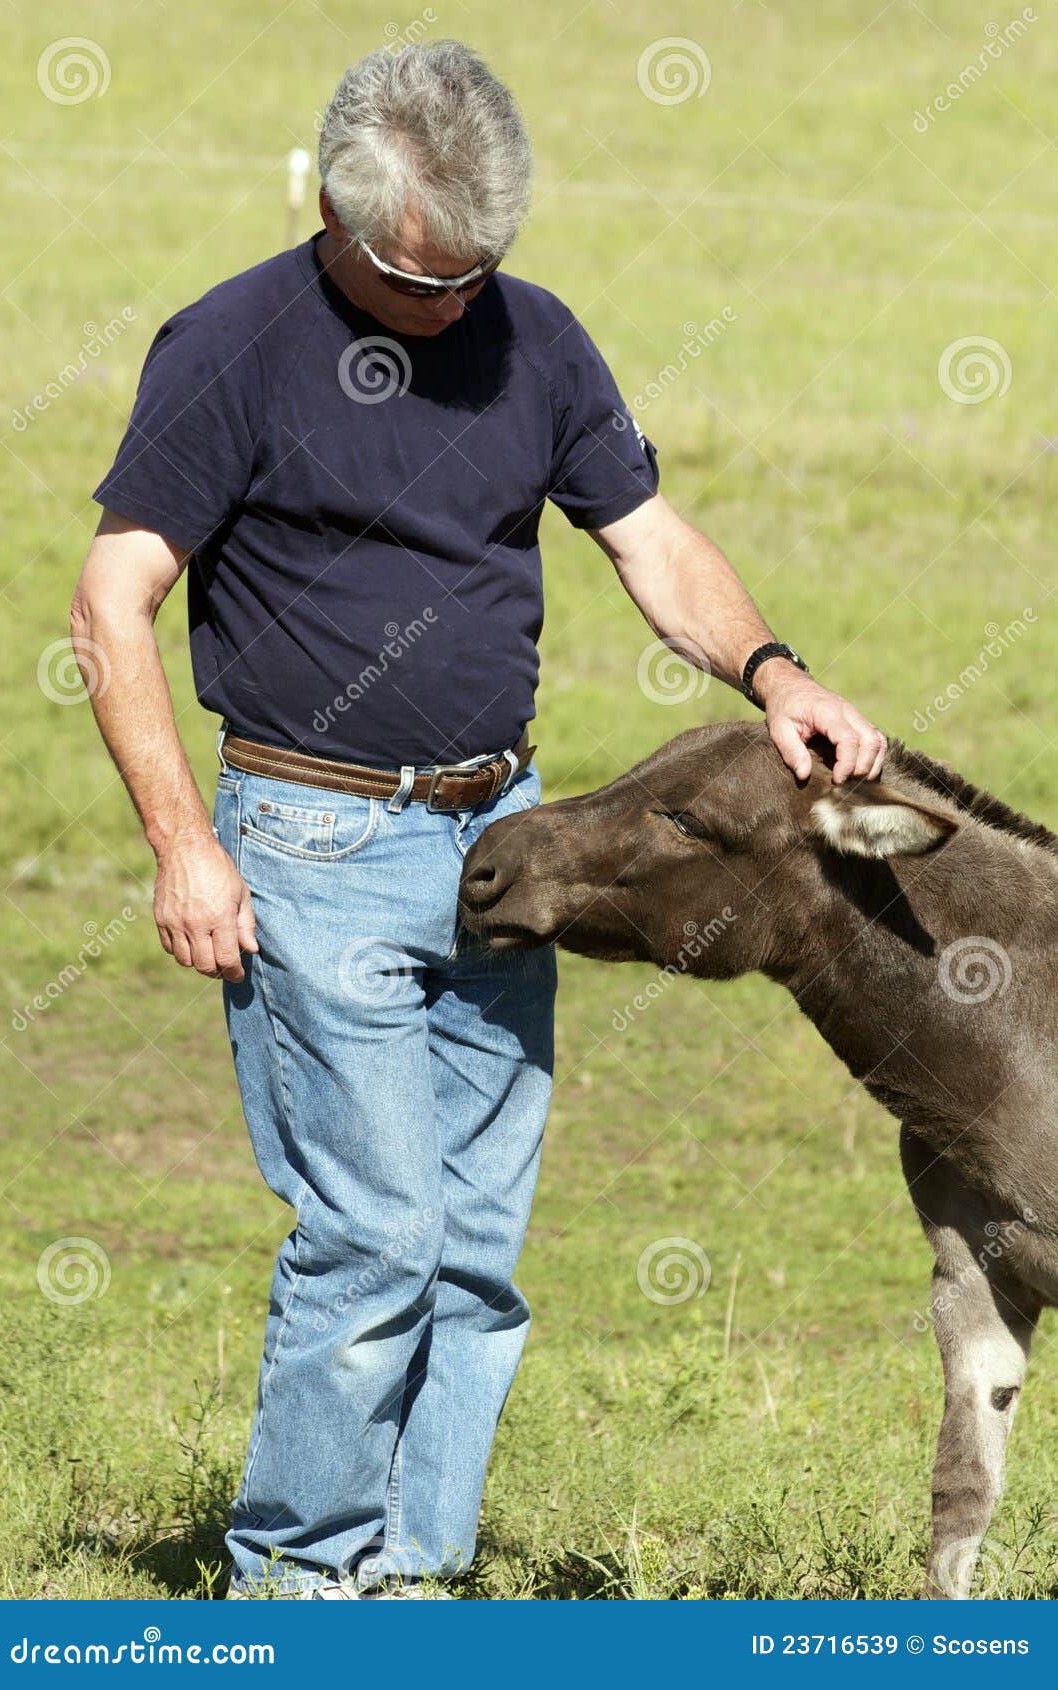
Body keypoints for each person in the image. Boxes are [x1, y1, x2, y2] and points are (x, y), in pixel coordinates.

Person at [71, 39, 887, 1599]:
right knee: (372, 1234)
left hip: (502, 845)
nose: (458, 313)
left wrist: (776, 672)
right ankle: (296, 1589)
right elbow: (114, 599)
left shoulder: (535, 337)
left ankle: (415, 1581)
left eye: (480, 276)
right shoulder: (230, 348)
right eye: (425, 283)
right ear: (337, 217)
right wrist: (184, 843)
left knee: (471, 1248)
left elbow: (647, 540)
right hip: (308, 845)